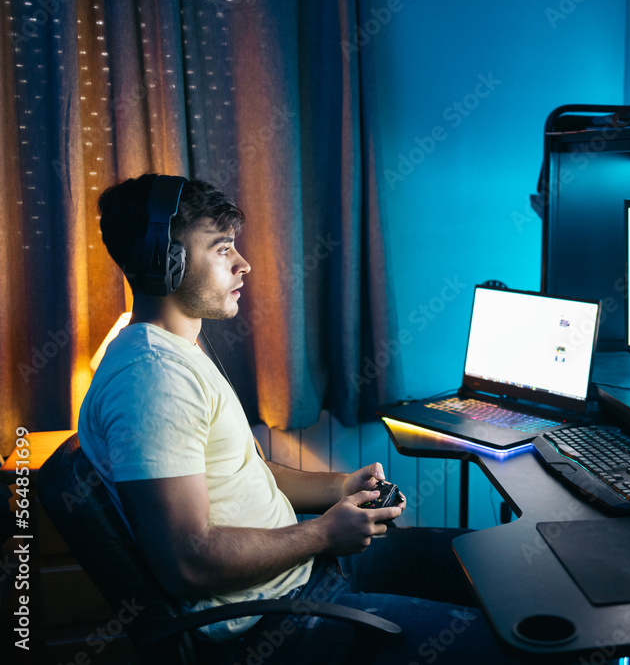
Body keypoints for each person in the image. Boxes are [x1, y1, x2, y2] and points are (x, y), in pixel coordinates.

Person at [78, 173, 514, 663]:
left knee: (502, 568)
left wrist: (341, 487)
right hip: (273, 623)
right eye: (222, 249)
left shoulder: (178, 351)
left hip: (306, 574)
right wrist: (325, 533)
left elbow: (250, 473)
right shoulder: (154, 378)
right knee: (511, 647)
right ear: (164, 261)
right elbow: (188, 562)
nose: (243, 263)